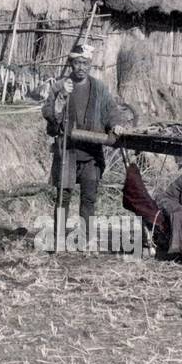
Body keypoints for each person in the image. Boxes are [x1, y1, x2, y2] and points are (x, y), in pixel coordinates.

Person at [42, 43, 119, 233]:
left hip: (91, 154)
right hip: (67, 151)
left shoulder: (98, 87)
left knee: (88, 197)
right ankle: (59, 236)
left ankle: (86, 238)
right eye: (77, 63)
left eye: (85, 63)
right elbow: (49, 114)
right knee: (63, 197)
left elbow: (112, 111)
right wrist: (61, 99)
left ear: (90, 64)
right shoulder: (60, 85)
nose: (81, 67)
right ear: (71, 64)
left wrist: (116, 123)